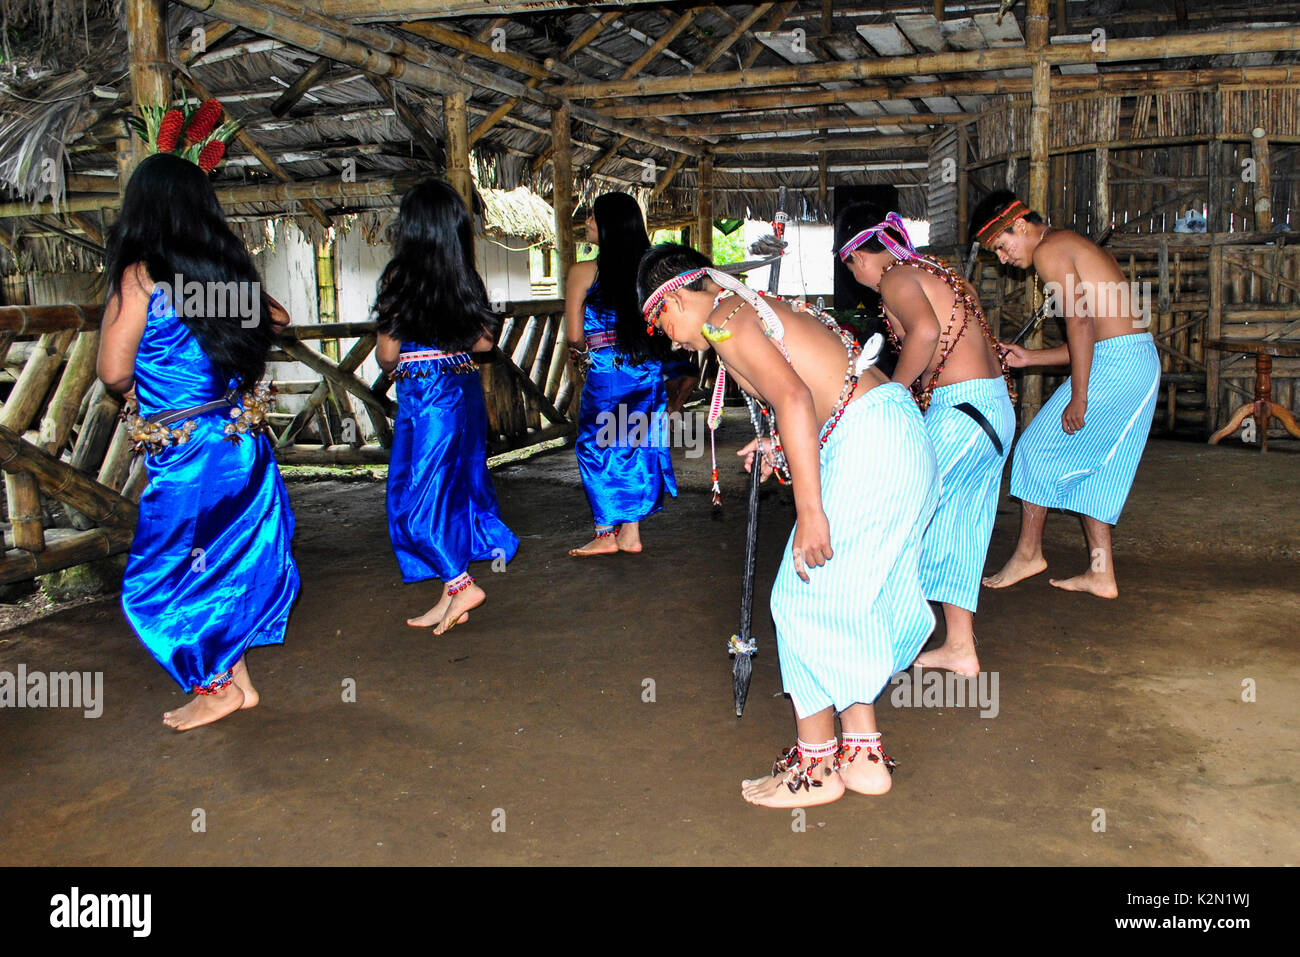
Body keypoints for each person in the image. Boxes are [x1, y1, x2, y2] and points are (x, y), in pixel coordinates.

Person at [638, 244, 939, 808]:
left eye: (664, 323)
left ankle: (816, 770)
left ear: (678, 296)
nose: (672, 340)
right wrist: (780, 444)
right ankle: (863, 757)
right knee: (847, 600)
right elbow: (821, 389)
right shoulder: (745, 305)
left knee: (802, 595)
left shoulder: (725, 320)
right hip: (890, 431)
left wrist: (811, 512)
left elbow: (797, 399)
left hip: (871, 443)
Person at [98, 152, 299, 731]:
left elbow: (112, 372)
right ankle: (237, 682)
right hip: (240, 442)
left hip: (187, 453)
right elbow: (276, 317)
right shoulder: (213, 277)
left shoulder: (141, 277)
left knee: (154, 580)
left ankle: (215, 688)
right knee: (221, 562)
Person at [837, 205, 1015, 676]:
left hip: (960, 410)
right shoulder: (935, 271)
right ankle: (960, 647)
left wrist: (893, 396)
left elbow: (927, 331)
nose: (854, 276)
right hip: (993, 409)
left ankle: (882, 638)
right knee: (960, 525)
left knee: (897, 511)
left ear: (860, 256)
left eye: (850, 264)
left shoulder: (896, 277)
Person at [972, 190, 1160, 598]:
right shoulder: (1065, 243)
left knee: (1034, 449)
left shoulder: (1049, 250)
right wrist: (1030, 359)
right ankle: (1101, 573)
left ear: (1020, 226)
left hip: (1119, 364)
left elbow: (1079, 325)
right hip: (1131, 358)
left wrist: (1079, 395)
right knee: (1098, 472)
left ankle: (1028, 554)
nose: (1003, 259)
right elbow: (1094, 335)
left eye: (1001, 247)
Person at [374, 180, 519, 634]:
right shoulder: (465, 275)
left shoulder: (400, 276)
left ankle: (460, 583)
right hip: (463, 392)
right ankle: (448, 595)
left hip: (428, 400)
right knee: (452, 496)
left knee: (414, 503)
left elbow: (386, 355)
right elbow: (485, 342)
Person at [564, 193, 676, 557]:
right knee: (637, 445)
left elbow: (575, 336)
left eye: (594, 219)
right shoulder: (652, 270)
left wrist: (583, 351)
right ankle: (631, 532)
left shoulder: (583, 271)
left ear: (611, 225)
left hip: (608, 372)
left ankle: (604, 534)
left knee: (594, 447)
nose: (588, 224)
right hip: (647, 372)